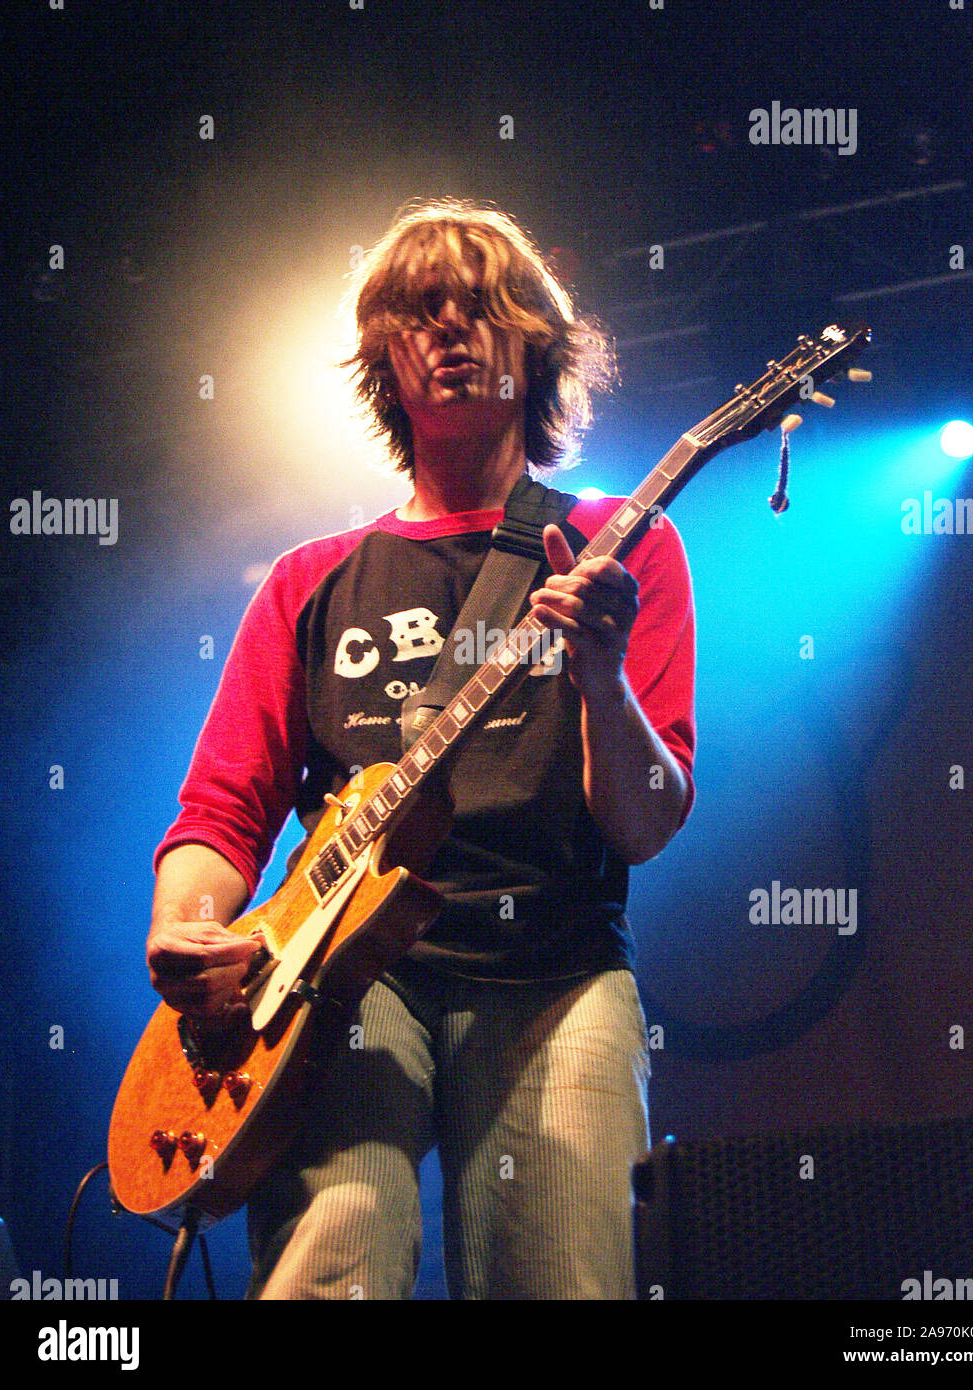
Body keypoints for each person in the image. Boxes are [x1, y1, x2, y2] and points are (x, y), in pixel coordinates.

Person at [145, 198, 696, 1299]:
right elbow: (222, 809)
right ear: (382, 364)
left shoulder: (617, 544)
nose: (449, 332)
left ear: (533, 343)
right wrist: (187, 926)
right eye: (417, 312)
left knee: (562, 1280)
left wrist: (595, 670)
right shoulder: (312, 581)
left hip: (554, 972)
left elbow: (642, 825)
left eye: (479, 308)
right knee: (327, 1265)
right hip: (346, 978)